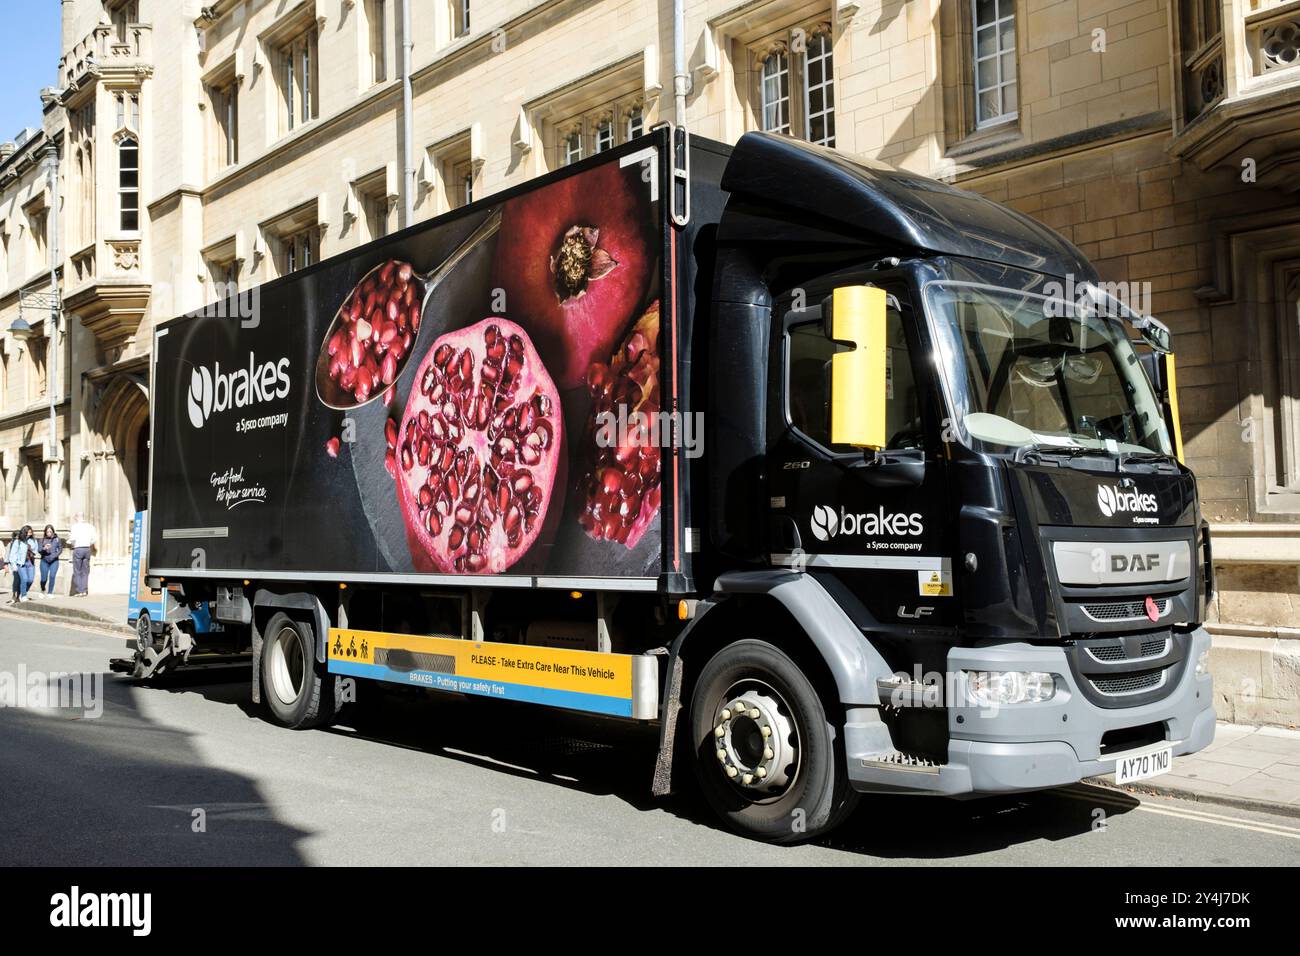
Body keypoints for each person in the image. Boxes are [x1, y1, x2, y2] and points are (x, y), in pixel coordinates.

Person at [69, 514, 97, 597]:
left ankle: (79, 591)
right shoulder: (90, 526)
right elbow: (94, 539)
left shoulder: (75, 527)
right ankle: (84, 591)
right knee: (85, 571)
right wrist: (88, 543)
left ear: (77, 518)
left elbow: (72, 539)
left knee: (77, 571)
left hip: (78, 548)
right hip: (87, 549)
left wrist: (73, 543)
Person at [7, 526, 34, 603]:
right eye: (28, 533)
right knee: (23, 579)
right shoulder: (17, 542)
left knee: (30, 580)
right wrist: (14, 564)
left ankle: (22, 593)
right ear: (24, 533)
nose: (30, 534)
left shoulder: (32, 541)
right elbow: (12, 554)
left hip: (29, 562)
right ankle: (22, 595)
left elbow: (36, 549)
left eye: (31, 533)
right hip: (20, 563)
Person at [38, 524, 63, 597]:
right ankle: (42, 590)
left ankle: (50, 593)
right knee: (43, 579)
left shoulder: (57, 539)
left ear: (53, 532)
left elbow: (60, 549)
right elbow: (39, 550)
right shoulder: (41, 540)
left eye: (50, 532)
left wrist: (54, 555)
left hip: (54, 561)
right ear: (45, 532)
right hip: (44, 561)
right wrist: (44, 548)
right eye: (47, 532)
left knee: (52, 576)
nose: (49, 533)